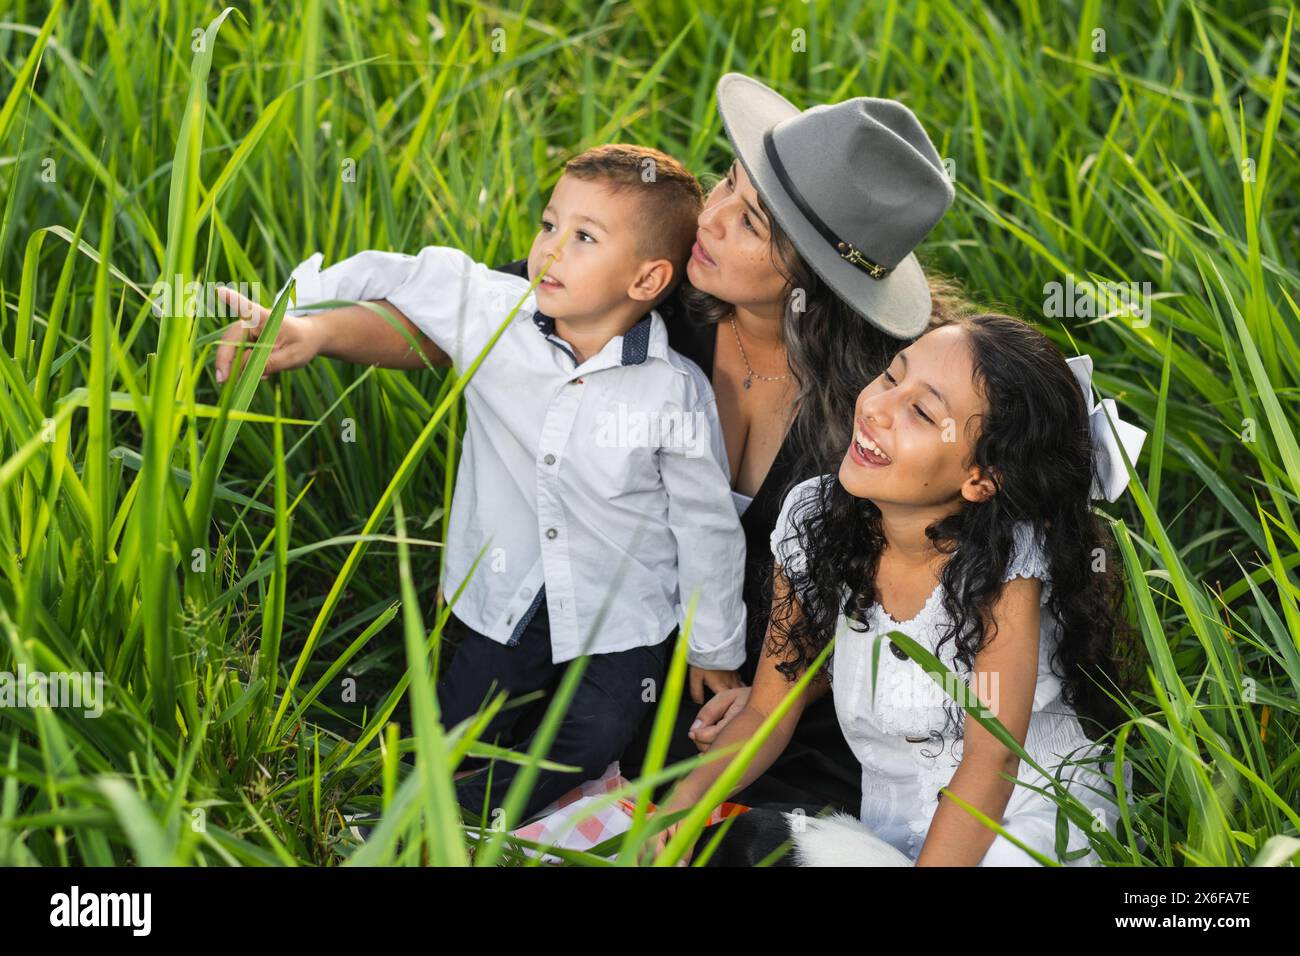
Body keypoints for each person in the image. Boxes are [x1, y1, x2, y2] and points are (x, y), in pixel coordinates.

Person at [213, 144, 748, 823]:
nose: (549, 251)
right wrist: (308, 323)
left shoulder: (674, 393)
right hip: (510, 583)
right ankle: (406, 795)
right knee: (452, 721)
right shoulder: (495, 310)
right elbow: (413, 276)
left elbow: (705, 527)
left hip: (623, 614)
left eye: (584, 238)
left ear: (646, 281)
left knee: (594, 734)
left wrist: (717, 649)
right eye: (549, 225)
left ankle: (459, 820)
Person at [495, 74, 960, 815]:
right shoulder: (658, 286)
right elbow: (484, 310)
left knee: (760, 815)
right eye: (726, 185)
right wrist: (310, 330)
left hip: (783, 683)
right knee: (516, 740)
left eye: (749, 224)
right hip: (615, 630)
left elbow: (862, 581)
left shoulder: (879, 408)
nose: (708, 220)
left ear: (817, 281)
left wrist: (768, 696)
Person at [652, 311, 1147, 866]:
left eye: (920, 411)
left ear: (980, 479)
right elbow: (768, 711)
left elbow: (992, 766)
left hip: (1016, 822)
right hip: (895, 823)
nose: (876, 408)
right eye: (891, 376)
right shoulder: (813, 520)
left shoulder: (1004, 565)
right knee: (749, 845)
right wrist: (682, 807)